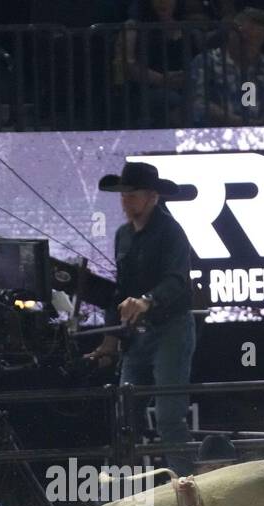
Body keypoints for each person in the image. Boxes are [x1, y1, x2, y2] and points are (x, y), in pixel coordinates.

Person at [86, 161, 197, 476]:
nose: (125, 200)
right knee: (125, 412)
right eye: (123, 194)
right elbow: (121, 292)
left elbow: (178, 281)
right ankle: (127, 485)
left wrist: (147, 300)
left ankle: (184, 482)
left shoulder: (172, 232)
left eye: (132, 194)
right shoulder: (123, 235)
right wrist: (110, 341)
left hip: (171, 327)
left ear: (152, 197)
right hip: (137, 334)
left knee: (169, 416)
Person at [186, 7, 264, 124]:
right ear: (231, 34)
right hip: (214, 135)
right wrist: (240, 123)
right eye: (247, 38)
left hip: (261, 137)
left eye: (257, 39)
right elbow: (199, 103)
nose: (251, 44)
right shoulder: (206, 61)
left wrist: (262, 128)